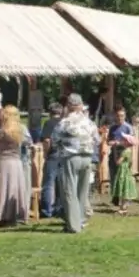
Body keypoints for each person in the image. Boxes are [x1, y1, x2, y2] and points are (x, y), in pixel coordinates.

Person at [51, 93, 99, 234]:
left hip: (71, 157)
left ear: (68, 106)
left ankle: (73, 225)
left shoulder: (64, 122)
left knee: (69, 191)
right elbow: (97, 139)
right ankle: (82, 220)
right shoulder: (89, 122)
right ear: (80, 105)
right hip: (87, 157)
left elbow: (54, 140)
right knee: (82, 191)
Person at [0, 105, 31, 225]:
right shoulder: (20, 131)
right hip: (17, 162)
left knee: (4, 188)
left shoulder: (2, 131)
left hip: (5, 162)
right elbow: (28, 143)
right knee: (15, 189)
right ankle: (17, 214)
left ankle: (3, 215)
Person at [39, 102, 64, 218]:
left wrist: (45, 153)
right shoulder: (65, 123)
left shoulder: (49, 123)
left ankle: (47, 210)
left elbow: (47, 141)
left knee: (48, 183)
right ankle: (59, 208)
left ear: (50, 112)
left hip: (53, 154)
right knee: (60, 183)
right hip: (63, 154)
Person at [107, 106, 134, 207]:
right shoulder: (112, 128)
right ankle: (116, 196)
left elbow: (132, 142)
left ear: (125, 116)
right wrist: (111, 143)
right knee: (114, 177)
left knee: (125, 178)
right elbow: (108, 141)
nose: (120, 118)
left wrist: (119, 143)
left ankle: (126, 198)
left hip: (124, 155)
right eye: (118, 116)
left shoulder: (128, 127)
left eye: (122, 116)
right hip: (113, 154)